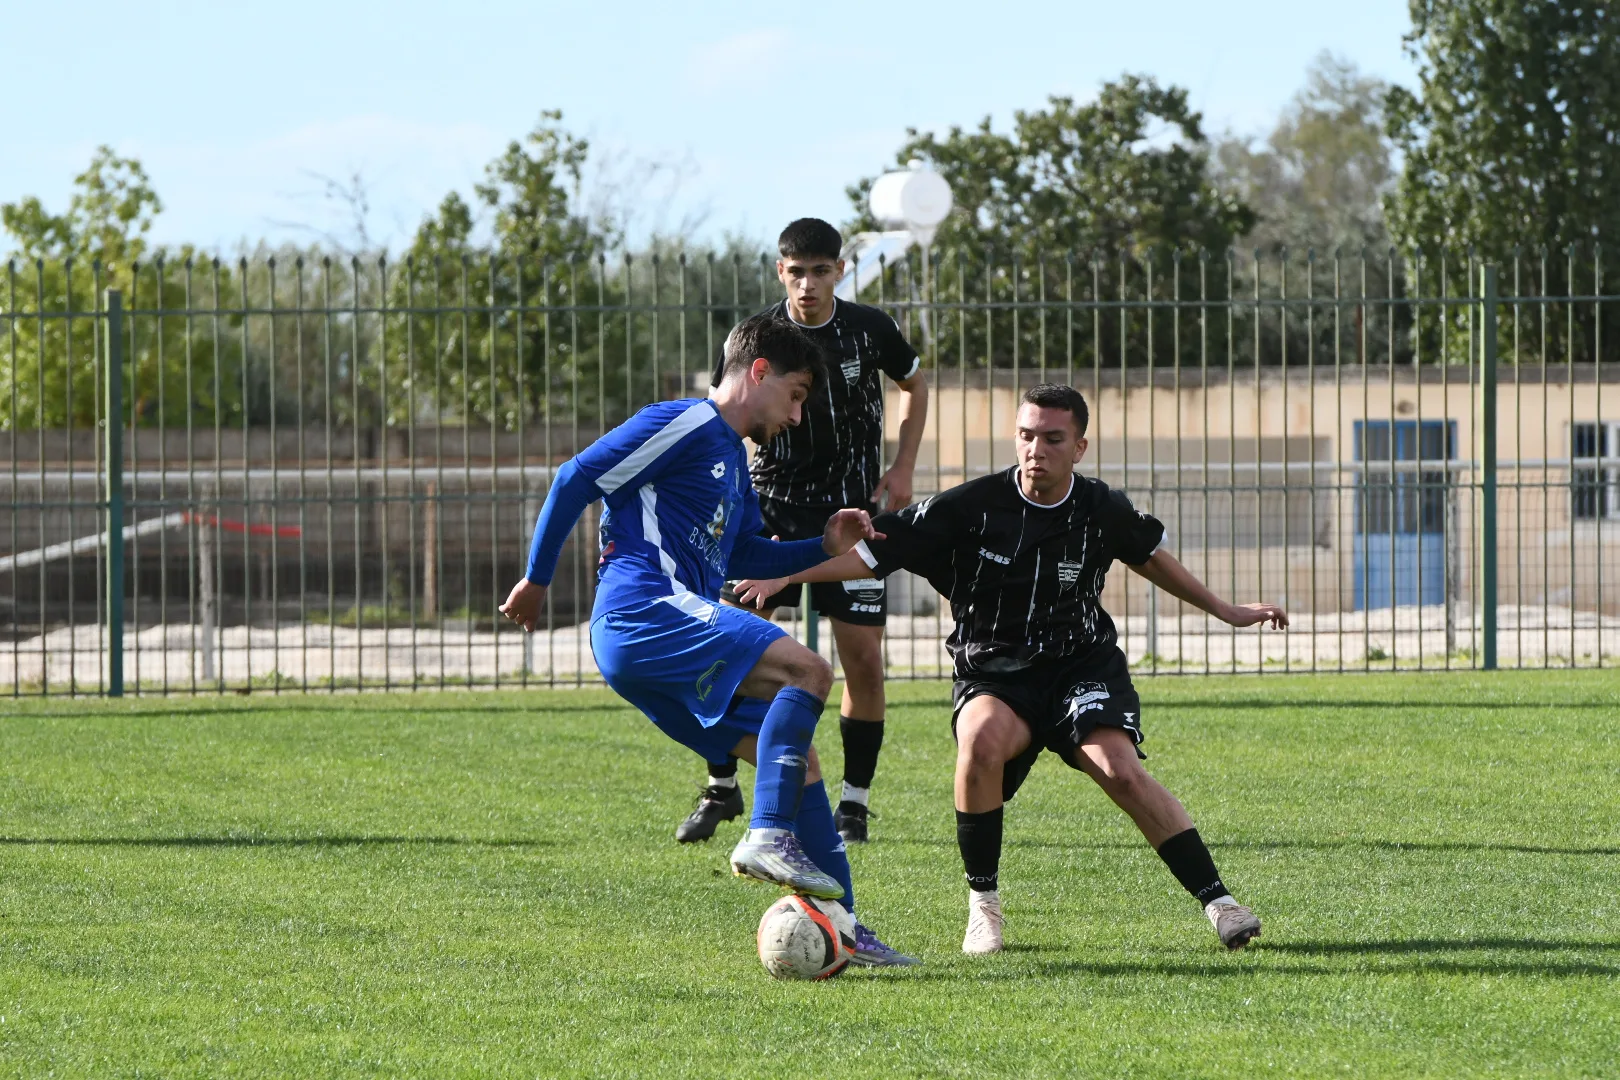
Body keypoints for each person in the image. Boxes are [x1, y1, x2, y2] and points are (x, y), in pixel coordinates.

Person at [735, 384, 1286, 955]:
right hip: (994, 671)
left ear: (1080, 446)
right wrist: (788, 577)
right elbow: (871, 556)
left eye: (1053, 438)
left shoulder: (1100, 507)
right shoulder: (970, 507)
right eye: (1027, 436)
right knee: (978, 741)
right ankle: (984, 908)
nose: (1036, 449)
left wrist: (1227, 610)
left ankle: (1220, 903)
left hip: (1081, 665)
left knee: (1118, 770)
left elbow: (1150, 558)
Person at [499, 314, 916, 966]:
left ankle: (846, 930)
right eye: (797, 395)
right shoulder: (685, 422)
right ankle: (767, 832)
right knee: (810, 672)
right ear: (757, 373)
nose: (798, 417)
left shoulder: (732, 460)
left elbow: (745, 552)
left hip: (655, 635)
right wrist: (535, 579)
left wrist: (823, 546)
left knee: (799, 760)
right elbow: (574, 478)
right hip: (647, 611)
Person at [677, 217, 930, 847]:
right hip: (769, 510)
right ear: (780, 272)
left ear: (840, 271)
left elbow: (915, 385)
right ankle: (721, 786)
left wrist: (901, 467)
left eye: (821, 270)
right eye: (797, 271)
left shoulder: (870, 328)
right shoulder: (756, 337)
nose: (808, 283)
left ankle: (854, 804)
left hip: (851, 515)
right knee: (723, 647)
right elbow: (720, 411)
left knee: (864, 663)